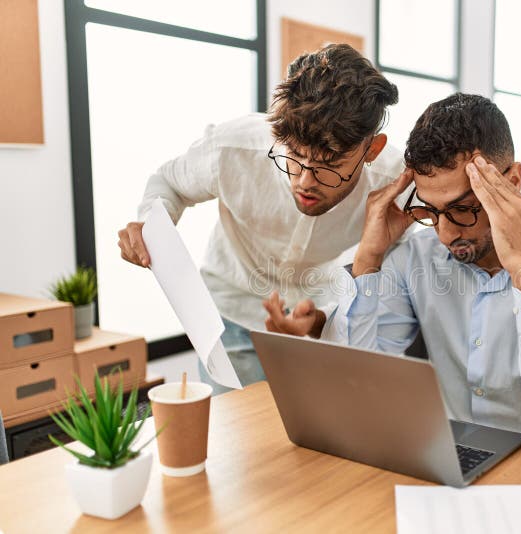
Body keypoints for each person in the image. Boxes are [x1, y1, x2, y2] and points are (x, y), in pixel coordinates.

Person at [265, 93, 521, 456]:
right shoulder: (417, 258)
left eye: (463, 209)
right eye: (431, 211)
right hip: (451, 464)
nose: (445, 234)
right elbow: (360, 389)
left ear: (513, 181)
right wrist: (369, 259)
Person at [117, 44, 405, 394]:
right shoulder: (233, 147)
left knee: (306, 440)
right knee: (236, 439)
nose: (305, 181)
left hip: (317, 318)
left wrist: (324, 318)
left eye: (329, 166)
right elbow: (168, 183)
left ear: (371, 150)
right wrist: (150, 223)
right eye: (295, 157)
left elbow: (393, 277)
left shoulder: (395, 183)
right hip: (231, 311)